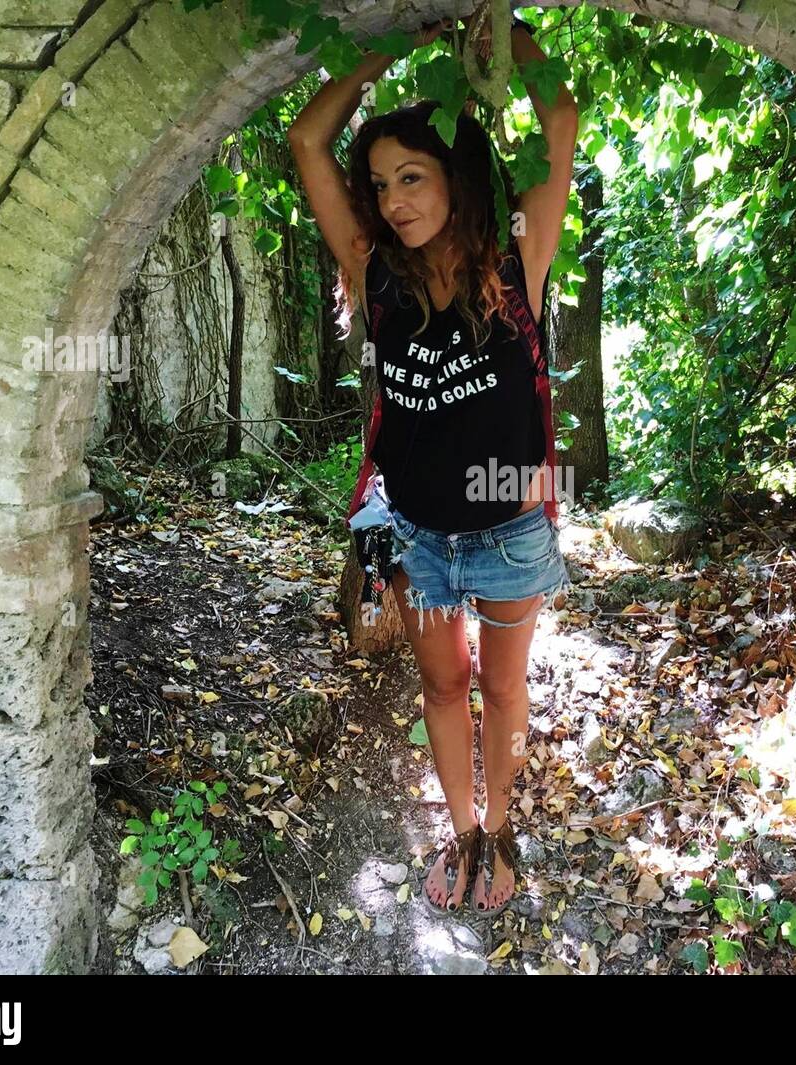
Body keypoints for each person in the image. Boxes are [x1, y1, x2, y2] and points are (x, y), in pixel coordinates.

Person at [287, 16, 579, 914]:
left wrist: (495, 26)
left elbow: (559, 116)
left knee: (501, 685)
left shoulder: (514, 259)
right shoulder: (373, 269)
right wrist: (389, 35)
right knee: (443, 684)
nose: (396, 200)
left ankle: (502, 830)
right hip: (415, 532)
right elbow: (307, 138)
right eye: (381, 185)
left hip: (510, 527)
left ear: (455, 175)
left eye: (412, 176)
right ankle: (460, 829)